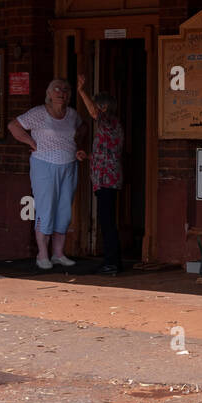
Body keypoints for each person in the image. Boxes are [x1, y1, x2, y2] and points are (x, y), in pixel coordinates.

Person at [9, 78, 87, 271]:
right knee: (45, 208)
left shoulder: (71, 114)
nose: (62, 92)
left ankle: (58, 253)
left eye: (66, 89)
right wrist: (31, 143)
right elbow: (13, 126)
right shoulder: (39, 113)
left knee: (64, 209)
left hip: (69, 166)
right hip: (44, 165)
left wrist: (78, 145)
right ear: (49, 93)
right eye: (57, 89)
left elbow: (83, 126)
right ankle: (42, 254)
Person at [77, 74, 124, 275]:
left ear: (103, 108)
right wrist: (88, 156)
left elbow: (94, 113)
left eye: (97, 107)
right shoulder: (107, 127)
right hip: (103, 179)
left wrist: (81, 91)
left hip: (107, 181)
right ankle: (111, 260)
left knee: (107, 222)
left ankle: (111, 262)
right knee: (106, 220)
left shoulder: (109, 122)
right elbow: (106, 152)